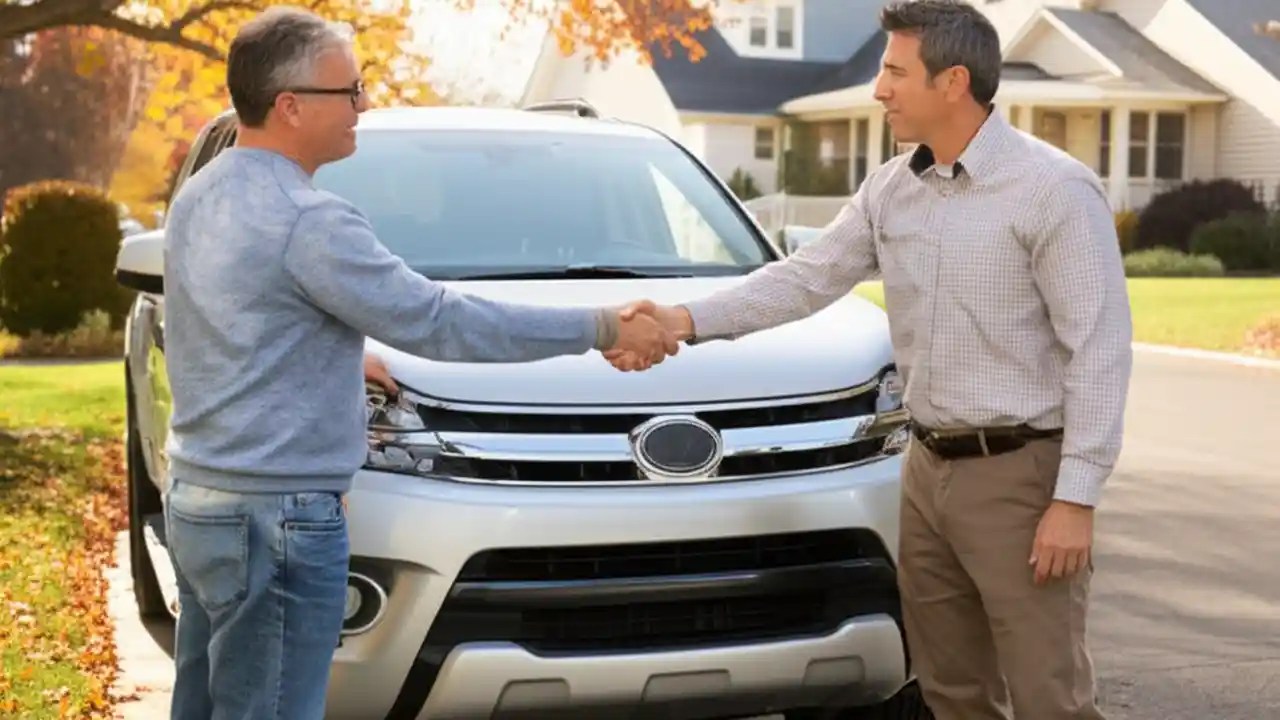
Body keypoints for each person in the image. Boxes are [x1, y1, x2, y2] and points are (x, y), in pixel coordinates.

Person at [611, 1, 1131, 718]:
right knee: (950, 688)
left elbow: (1099, 350)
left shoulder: (1054, 191)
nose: (879, 89)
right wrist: (684, 320)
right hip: (924, 472)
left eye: (894, 71)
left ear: (953, 82)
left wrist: (1075, 498)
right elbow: (804, 279)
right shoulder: (892, 189)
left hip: (1020, 477)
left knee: (1049, 694)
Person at [159, 7, 677, 719]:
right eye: (349, 91)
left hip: (200, 504)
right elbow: (441, 322)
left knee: (206, 706)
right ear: (289, 106)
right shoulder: (310, 219)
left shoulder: (198, 197)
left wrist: (339, 354)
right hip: (274, 518)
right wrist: (600, 325)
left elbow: (232, 321)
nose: (363, 105)